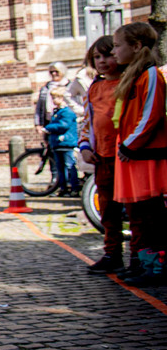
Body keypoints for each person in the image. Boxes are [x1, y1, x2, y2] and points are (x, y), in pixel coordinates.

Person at [110, 22, 167, 286]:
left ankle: (156, 267)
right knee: (140, 214)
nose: (114, 52)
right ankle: (145, 263)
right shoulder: (133, 76)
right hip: (133, 155)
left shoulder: (151, 74)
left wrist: (129, 144)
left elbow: (151, 115)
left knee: (152, 213)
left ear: (136, 46)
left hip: (145, 156)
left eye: (118, 45)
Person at [78, 36, 125, 274]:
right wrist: (85, 146)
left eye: (107, 55)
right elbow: (88, 122)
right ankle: (112, 253)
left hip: (126, 157)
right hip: (102, 157)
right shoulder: (94, 88)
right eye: (97, 57)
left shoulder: (129, 83)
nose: (102, 61)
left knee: (135, 208)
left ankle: (141, 255)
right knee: (108, 210)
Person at [43, 88, 80, 196]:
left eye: (56, 97)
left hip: (66, 142)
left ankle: (74, 188)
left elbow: (64, 125)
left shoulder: (66, 112)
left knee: (69, 165)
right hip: (58, 143)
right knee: (60, 167)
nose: (54, 100)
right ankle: (63, 188)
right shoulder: (57, 112)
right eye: (53, 98)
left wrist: (48, 128)